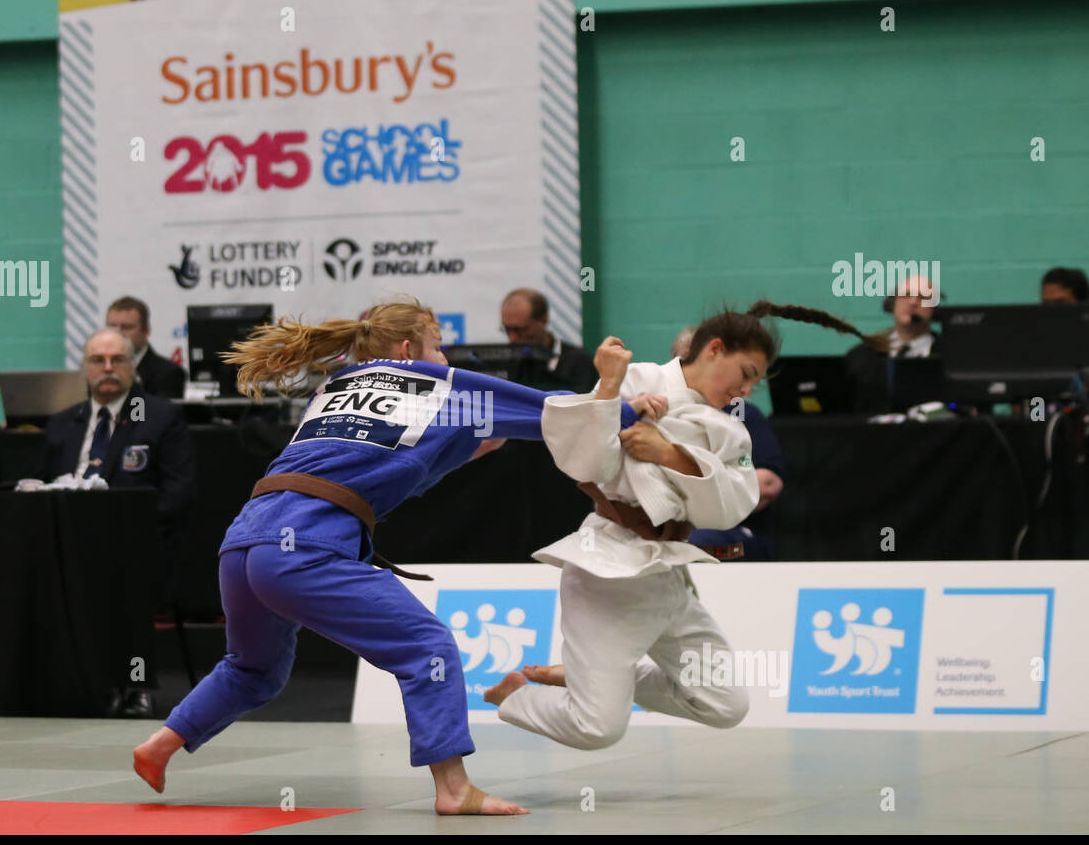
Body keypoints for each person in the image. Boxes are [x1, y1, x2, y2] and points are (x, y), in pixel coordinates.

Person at [132, 296, 642, 815]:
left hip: (244, 544)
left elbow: (391, 462)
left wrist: (476, 440)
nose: (445, 357)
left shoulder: (334, 389)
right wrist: (624, 403)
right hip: (306, 546)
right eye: (438, 345)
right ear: (408, 348)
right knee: (428, 647)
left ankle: (161, 745)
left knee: (253, 669)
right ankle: (453, 789)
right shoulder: (440, 384)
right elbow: (551, 411)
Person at [483, 302, 866, 754]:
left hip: (669, 574)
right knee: (598, 729)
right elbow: (584, 463)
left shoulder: (733, 429)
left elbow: (729, 510)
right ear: (714, 349)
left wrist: (669, 454)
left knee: (726, 703)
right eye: (744, 373)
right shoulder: (636, 379)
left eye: (754, 383)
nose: (744, 389)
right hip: (610, 567)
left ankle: (594, 675)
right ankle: (520, 697)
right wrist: (608, 390)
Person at [39, 328, 198, 717]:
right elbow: (40, 485)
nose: (107, 368)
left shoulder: (161, 417)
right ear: (84, 368)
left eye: (117, 360)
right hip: (70, 541)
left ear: (133, 366)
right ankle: (63, 680)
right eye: (98, 360)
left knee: (120, 567)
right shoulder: (61, 424)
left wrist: (130, 525)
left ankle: (132, 683)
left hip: (136, 542)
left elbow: (180, 492)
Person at [670, 327, 785, 560]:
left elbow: (767, 483)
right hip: (665, 527)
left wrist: (698, 493)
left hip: (728, 532)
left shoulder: (741, 415)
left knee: (694, 545)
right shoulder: (659, 406)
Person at [844, 275, 944, 413]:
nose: (913, 302)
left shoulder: (951, 355)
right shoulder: (861, 355)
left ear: (935, 309)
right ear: (892, 304)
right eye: (906, 295)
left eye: (923, 297)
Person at [500, 288, 598, 393]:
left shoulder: (579, 363)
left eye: (521, 330)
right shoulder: (503, 362)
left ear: (543, 320)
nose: (513, 337)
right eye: (507, 329)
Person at [106, 296, 187, 399]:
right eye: (111, 327)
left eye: (126, 327)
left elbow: (159, 413)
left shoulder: (168, 374)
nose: (117, 333)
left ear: (146, 331)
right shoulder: (98, 371)